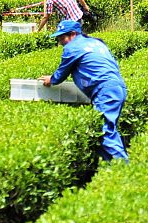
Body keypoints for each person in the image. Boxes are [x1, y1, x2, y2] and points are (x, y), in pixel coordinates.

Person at [40, 20, 129, 162]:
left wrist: (51, 79)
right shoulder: (97, 42)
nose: (60, 41)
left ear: (73, 34)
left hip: (105, 91)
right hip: (117, 87)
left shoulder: (72, 48)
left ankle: (123, 167)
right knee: (107, 130)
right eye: (59, 38)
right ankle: (112, 167)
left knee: (104, 132)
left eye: (62, 37)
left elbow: (61, 73)